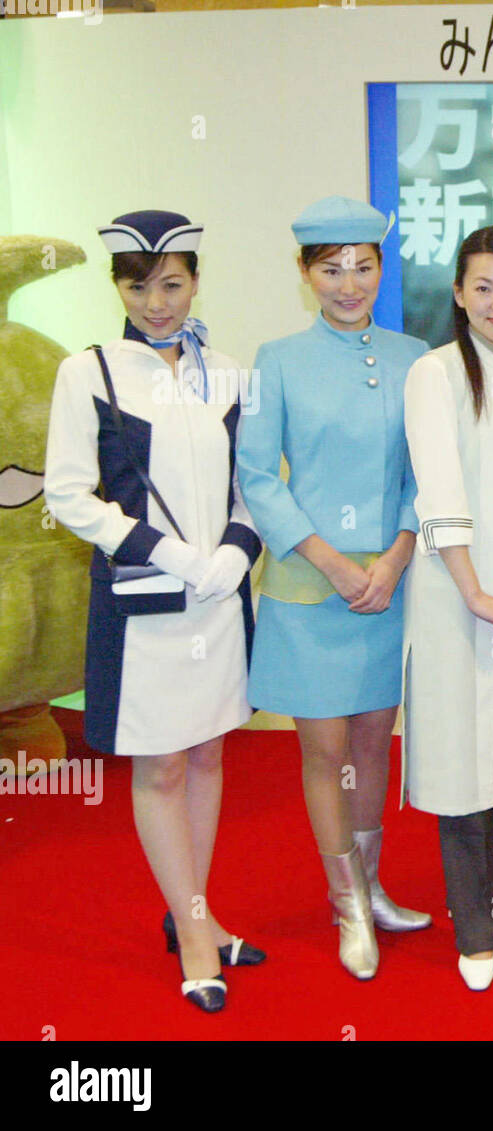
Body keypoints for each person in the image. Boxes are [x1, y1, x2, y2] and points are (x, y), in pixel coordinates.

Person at [44, 210, 263, 1013]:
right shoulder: (89, 372)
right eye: (139, 286)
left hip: (219, 599)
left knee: (208, 756)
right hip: (144, 605)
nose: (157, 302)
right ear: (119, 287)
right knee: (162, 762)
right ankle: (197, 930)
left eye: (172, 284)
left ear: (196, 280)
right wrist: (168, 551)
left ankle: (193, 911)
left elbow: (251, 487)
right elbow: (68, 494)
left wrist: (237, 550)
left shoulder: (231, 373)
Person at [237, 196, 431, 981]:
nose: (349, 284)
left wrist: (394, 555)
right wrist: (334, 561)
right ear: (306, 274)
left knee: (372, 743)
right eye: (331, 269)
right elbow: (256, 476)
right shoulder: (275, 359)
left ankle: (375, 885)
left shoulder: (418, 356)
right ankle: (346, 902)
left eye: (363, 266)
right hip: (310, 582)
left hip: (388, 581)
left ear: (382, 268)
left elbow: (429, 474)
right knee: (323, 749)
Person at [403, 226, 493, 992]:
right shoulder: (435, 374)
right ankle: (473, 921)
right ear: (458, 294)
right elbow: (439, 490)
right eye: (483, 287)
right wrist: (478, 593)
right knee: (462, 753)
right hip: (455, 599)